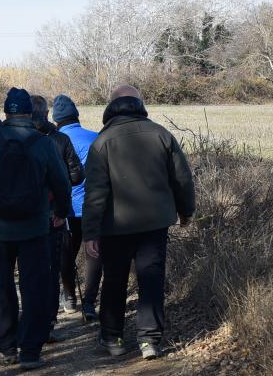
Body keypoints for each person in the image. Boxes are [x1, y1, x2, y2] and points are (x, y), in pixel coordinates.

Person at [82, 85, 196, 360]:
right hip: (154, 225)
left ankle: (113, 338)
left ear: (111, 107)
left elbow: (95, 193)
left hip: (115, 227)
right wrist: (186, 211)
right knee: (151, 281)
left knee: (114, 282)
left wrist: (91, 233)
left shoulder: (102, 141)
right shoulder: (161, 134)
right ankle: (149, 341)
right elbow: (182, 179)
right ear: (140, 104)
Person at [0, 88, 72, 371]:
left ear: (6, 112)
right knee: (34, 286)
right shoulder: (43, 143)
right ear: (28, 112)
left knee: (3, 283)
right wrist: (60, 212)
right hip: (35, 228)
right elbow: (62, 182)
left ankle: (6, 345)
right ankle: (30, 351)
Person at [29, 94, 84, 339]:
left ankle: (30, 321)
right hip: (55, 214)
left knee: (30, 269)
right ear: (47, 113)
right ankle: (48, 322)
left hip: (26, 215)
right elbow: (76, 176)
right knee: (52, 267)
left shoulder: (18, 140)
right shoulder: (60, 139)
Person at [49, 94, 103, 323]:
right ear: (76, 115)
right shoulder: (97, 138)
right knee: (94, 254)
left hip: (68, 209)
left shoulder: (55, 141)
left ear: (57, 119)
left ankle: (70, 296)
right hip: (95, 207)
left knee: (66, 254)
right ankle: (89, 301)